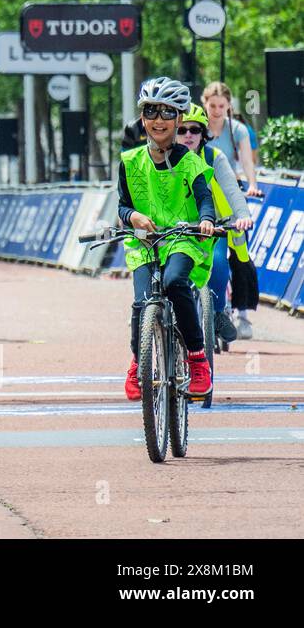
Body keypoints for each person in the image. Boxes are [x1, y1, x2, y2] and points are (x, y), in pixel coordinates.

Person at [119, 77, 216, 402]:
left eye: (166, 112)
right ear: (142, 118)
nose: (158, 119)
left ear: (179, 118)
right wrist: (132, 217)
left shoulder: (191, 162)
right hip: (145, 242)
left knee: (175, 282)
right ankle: (138, 363)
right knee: (141, 301)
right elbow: (122, 205)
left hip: (183, 239)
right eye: (150, 111)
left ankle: (198, 358)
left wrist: (205, 220)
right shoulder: (130, 161)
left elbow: (205, 198)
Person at [175, 105, 255, 343]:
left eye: (195, 130)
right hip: (174, 228)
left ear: (203, 134)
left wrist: (242, 215)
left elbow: (232, 189)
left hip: (213, 227)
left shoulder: (214, 158)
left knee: (219, 265)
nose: (188, 135)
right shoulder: (163, 157)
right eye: (182, 130)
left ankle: (218, 313)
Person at [202, 82, 261, 199]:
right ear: (205, 104)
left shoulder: (239, 129)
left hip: (230, 187)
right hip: (202, 188)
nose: (217, 111)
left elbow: (247, 162)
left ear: (229, 105)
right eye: (212, 106)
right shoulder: (195, 129)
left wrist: (253, 185)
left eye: (221, 106)